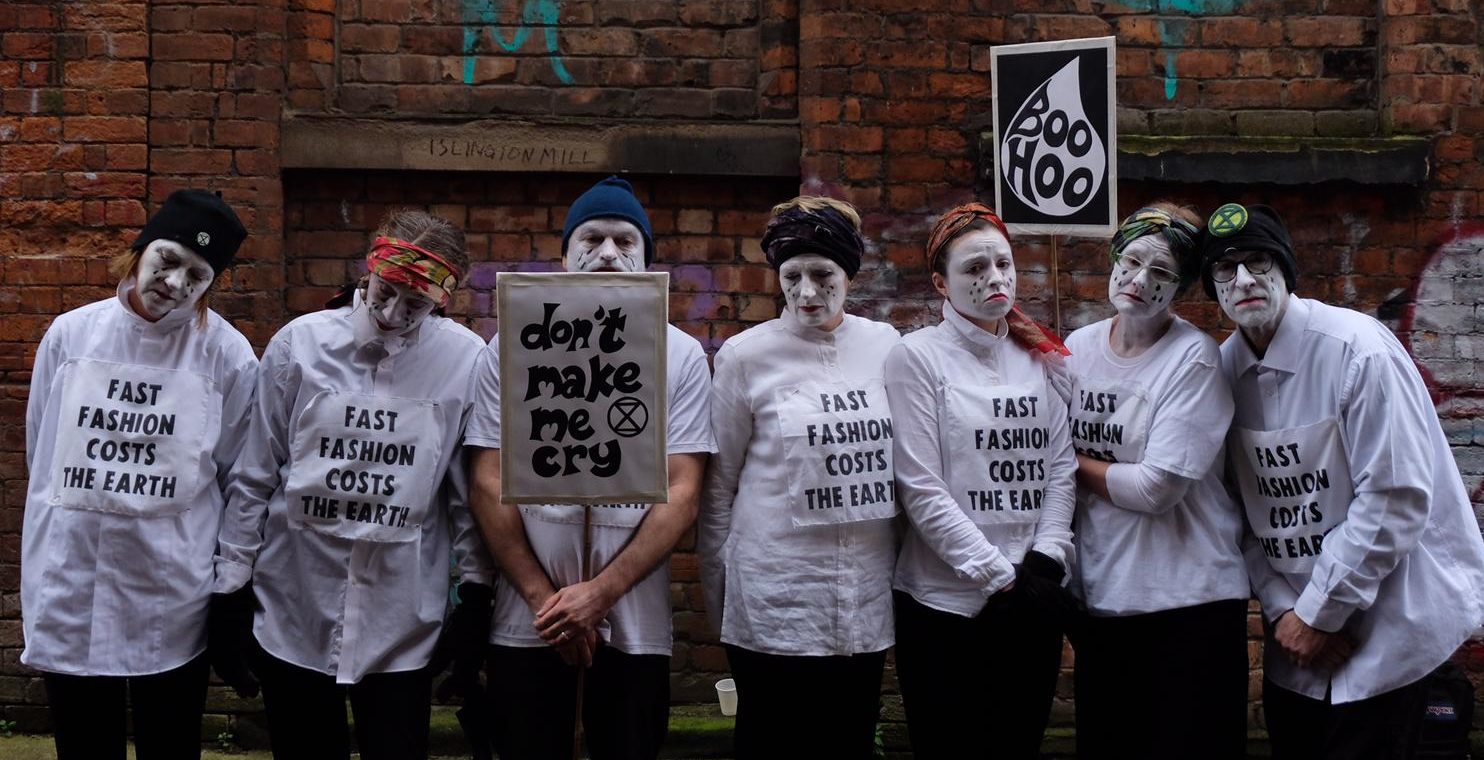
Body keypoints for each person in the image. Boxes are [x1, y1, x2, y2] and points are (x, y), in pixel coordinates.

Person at [1201, 201, 1484, 759]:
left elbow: (1396, 498)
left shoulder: (1358, 351)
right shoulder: (1221, 374)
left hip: (1391, 641)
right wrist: (1288, 613)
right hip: (1300, 655)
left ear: (1284, 268)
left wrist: (1320, 612)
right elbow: (1239, 511)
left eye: (1259, 262)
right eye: (1224, 270)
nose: (1244, 281)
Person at [212, 210, 494, 760]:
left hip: (402, 618)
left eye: (415, 306)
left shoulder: (465, 360)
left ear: (444, 299)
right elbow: (256, 471)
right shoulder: (300, 344)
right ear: (368, 271)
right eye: (383, 292)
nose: (392, 313)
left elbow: (465, 491)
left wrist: (477, 593)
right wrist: (230, 585)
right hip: (294, 601)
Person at [465, 176, 715, 760]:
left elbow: (683, 488)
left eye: (626, 241)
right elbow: (486, 479)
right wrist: (543, 601)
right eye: (592, 238)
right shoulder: (509, 346)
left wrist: (600, 595)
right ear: (564, 255)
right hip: (528, 623)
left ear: (648, 257)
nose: (608, 253)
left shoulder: (678, 355)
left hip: (632, 627)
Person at [22, 189, 256, 760]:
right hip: (72, 574)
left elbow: (241, 476)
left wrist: (230, 581)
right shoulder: (72, 336)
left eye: (196, 275)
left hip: (170, 588)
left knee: (170, 742)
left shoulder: (226, 356)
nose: (175, 284)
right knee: (83, 741)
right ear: (141, 248)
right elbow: (42, 448)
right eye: (168, 260)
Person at [697, 196, 900, 760]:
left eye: (823, 274)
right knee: (771, 741)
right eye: (792, 276)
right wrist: (721, 599)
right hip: (774, 594)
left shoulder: (886, 347)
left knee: (848, 739)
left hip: (860, 593)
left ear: (849, 274)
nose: (807, 291)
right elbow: (719, 488)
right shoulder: (745, 356)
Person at [885, 202, 1076, 760]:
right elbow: (921, 488)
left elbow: (1060, 467)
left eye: (1003, 262)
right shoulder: (916, 358)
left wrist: (1043, 562)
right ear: (941, 283)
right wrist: (1000, 577)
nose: (994, 278)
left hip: (1033, 601)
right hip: (946, 609)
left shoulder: (1035, 355)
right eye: (973, 268)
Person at [1065, 203, 1249, 759]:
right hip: (1104, 604)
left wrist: (1066, 463)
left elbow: (1155, 489)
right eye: (1133, 259)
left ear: (1184, 286)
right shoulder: (1077, 349)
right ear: (1115, 256)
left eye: (1163, 273)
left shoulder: (1192, 359)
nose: (1140, 281)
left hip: (1188, 608)